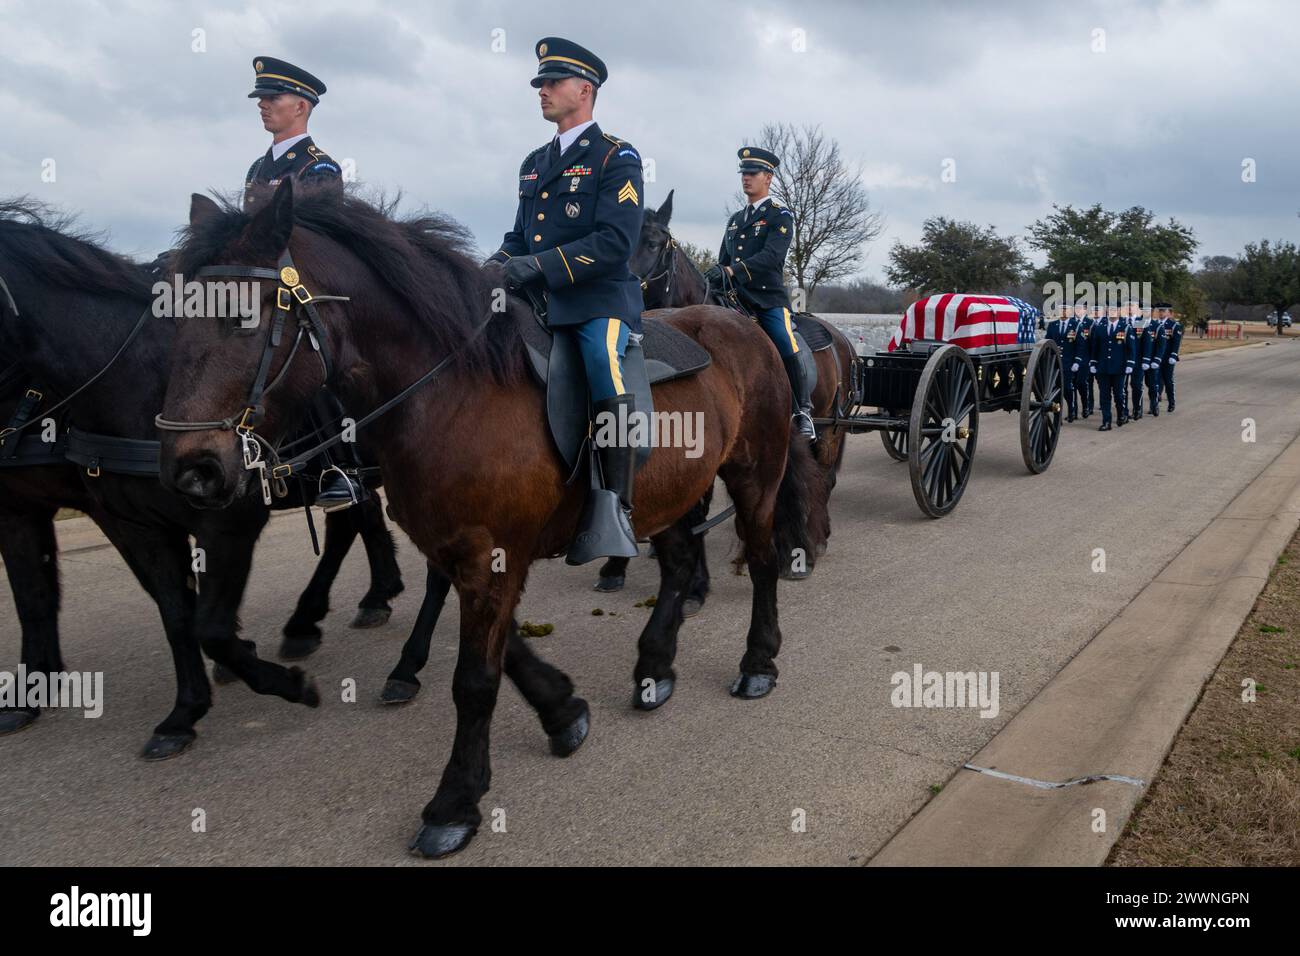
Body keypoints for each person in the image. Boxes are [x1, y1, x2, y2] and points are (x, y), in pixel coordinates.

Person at [487, 37, 646, 564]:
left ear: (585, 89)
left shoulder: (616, 157)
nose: (542, 91)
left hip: (596, 300)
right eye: (540, 84)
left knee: (604, 362)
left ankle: (615, 505)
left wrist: (539, 266)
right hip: (537, 299)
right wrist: (491, 266)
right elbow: (518, 238)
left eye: (552, 83)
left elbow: (614, 243)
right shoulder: (533, 163)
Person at [244, 56, 362, 511]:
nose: (263, 105)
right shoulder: (257, 168)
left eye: (272, 97)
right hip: (262, 288)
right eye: (261, 98)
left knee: (305, 362)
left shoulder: (319, 168)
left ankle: (341, 468)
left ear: (302, 106)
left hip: (306, 290)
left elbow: (318, 242)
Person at [704, 148, 812, 439]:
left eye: (752, 174)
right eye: (744, 173)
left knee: (784, 340)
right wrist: (714, 276)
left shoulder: (780, 215)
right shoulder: (736, 219)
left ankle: (803, 411)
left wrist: (731, 272)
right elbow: (724, 260)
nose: (746, 179)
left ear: (769, 178)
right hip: (735, 299)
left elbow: (771, 258)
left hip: (766, 299)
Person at [1089, 302, 1135, 431]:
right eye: (1110, 309)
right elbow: (1095, 348)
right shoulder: (1100, 327)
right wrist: (1093, 362)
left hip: (1119, 368)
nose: (1113, 312)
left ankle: (1121, 415)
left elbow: (1131, 348)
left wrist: (1130, 363)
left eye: (1115, 309)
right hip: (1103, 367)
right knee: (1104, 396)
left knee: (1119, 395)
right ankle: (1106, 422)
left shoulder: (1126, 327)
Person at [1045, 306, 1083, 421]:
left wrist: (1077, 361)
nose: (1063, 312)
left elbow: (1080, 345)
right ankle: (1057, 417)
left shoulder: (1076, 325)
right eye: (1061, 309)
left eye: (1066, 309)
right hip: (1055, 363)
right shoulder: (1052, 325)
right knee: (1055, 390)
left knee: (1067, 388)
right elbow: (1047, 342)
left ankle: (1072, 411)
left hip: (1069, 363)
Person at [1155, 302, 1183, 412]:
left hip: (1167, 358)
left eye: (1163, 311)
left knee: (1168, 380)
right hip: (1155, 358)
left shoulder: (1174, 325)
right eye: (1159, 310)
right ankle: (1155, 404)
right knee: (1155, 381)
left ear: (1168, 312)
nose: (1161, 313)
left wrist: (1173, 355)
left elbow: (1176, 342)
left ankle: (1171, 402)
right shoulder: (1153, 324)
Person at [1128, 302, 1151, 421]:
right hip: (1123, 361)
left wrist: (1146, 360)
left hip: (1138, 361)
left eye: (1132, 306)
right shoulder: (1121, 322)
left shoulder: (1142, 322)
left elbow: (1147, 343)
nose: (1129, 308)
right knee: (1121, 387)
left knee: (1136, 385)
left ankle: (1137, 409)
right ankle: (1123, 411)